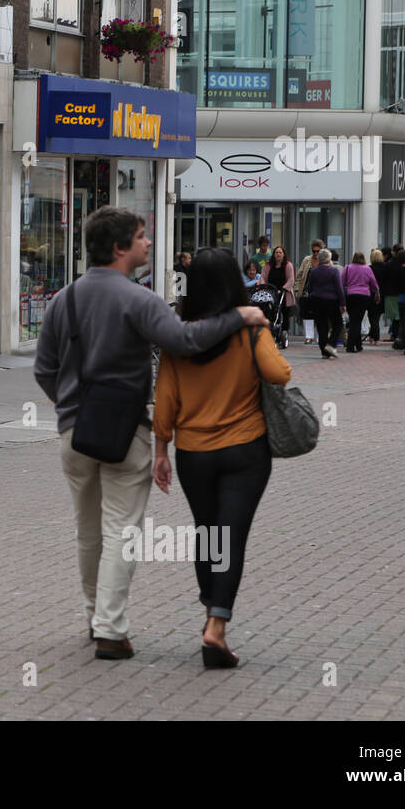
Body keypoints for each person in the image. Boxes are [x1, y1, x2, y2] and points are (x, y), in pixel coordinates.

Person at [34, 207, 267, 661]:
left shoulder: (63, 300)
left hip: (73, 432)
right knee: (122, 530)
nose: (148, 243)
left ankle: (94, 616)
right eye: (141, 238)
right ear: (120, 249)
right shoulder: (140, 299)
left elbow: (45, 369)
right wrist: (240, 316)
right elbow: (184, 341)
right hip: (126, 432)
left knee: (88, 531)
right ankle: (110, 628)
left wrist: (69, 402)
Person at [153, 248, 292, 668]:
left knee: (208, 534)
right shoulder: (250, 328)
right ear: (236, 282)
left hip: (194, 453)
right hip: (245, 449)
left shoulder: (181, 336)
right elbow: (279, 374)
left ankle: (210, 607)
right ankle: (216, 625)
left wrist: (161, 449)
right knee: (231, 539)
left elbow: (165, 401)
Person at [305, 248, 345, 358]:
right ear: (329, 258)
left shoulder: (314, 271)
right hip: (331, 301)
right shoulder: (333, 271)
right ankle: (331, 344)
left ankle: (324, 352)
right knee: (338, 324)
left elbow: (309, 287)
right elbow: (339, 288)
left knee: (322, 326)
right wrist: (343, 303)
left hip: (316, 300)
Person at [342, 252, 379, 353]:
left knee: (354, 320)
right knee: (357, 320)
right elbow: (374, 283)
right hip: (363, 296)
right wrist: (376, 291)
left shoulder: (348, 267)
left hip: (350, 295)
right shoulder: (367, 269)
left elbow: (342, 282)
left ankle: (358, 345)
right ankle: (350, 346)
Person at [294, 239, 324, 344]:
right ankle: (309, 336)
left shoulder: (324, 261)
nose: (315, 253)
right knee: (307, 314)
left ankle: (320, 336)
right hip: (307, 290)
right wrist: (297, 288)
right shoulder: (307, 260)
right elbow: (300, 274)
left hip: (321, 291)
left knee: (320, 314)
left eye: (318, 251)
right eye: (314, 251)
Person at [265, 245, 296, 334]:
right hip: (271, 292)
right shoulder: (268, 265)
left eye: (280, 252)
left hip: (284, 293)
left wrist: (283, 289)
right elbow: (263, 277)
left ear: (283, 255)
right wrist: (265, 286)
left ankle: (284, 331)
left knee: (284, 312)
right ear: (274, 254)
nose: (278, 254)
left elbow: (291, 279)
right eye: (276, 252)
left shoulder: (288, 265)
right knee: (270, 311)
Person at [367, 249, 388, 343]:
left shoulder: (369, 268)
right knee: (377, 316)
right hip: (382, 294)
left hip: (371, 294)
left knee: (372, 316)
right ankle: (373, 336)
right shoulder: (385, 267)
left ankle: (375, 337)